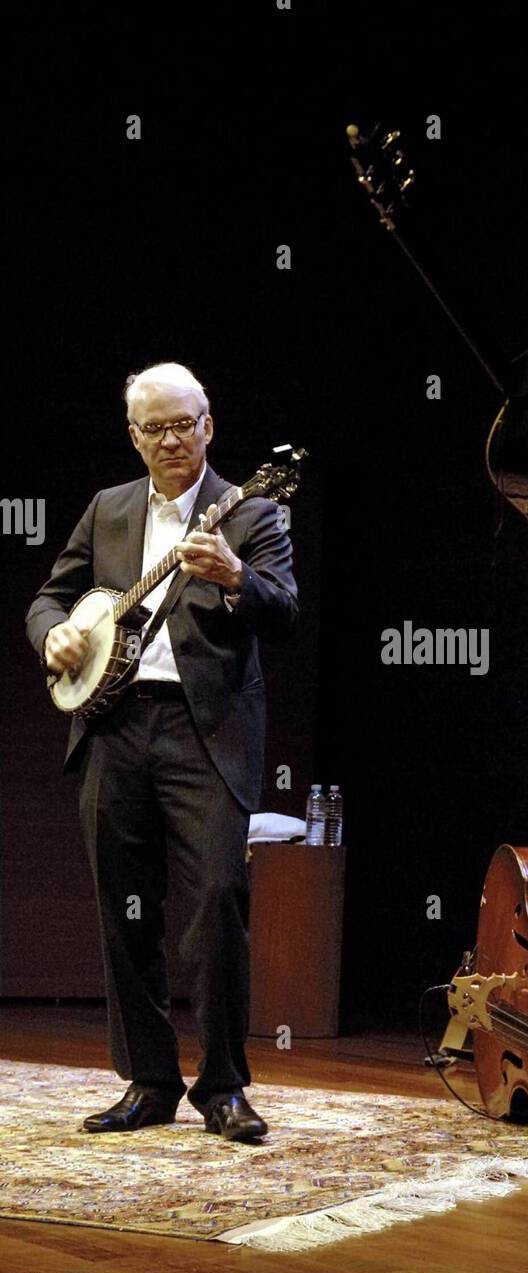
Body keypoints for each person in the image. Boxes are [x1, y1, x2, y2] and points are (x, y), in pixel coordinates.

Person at [26, 362, 298, 1142]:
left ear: (208, 425)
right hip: (114, 727)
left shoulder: (251, 513)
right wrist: (59, 633)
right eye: (157, 427)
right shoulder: (108, 510)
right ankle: (148, 1081)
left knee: (217, 901)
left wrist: (237, 576)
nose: (173, 439)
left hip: (203, 732)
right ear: (135, 437)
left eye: (186, 423)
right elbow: (50, 595)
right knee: (123, 910)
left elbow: (284, 613)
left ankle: (223, 1087)